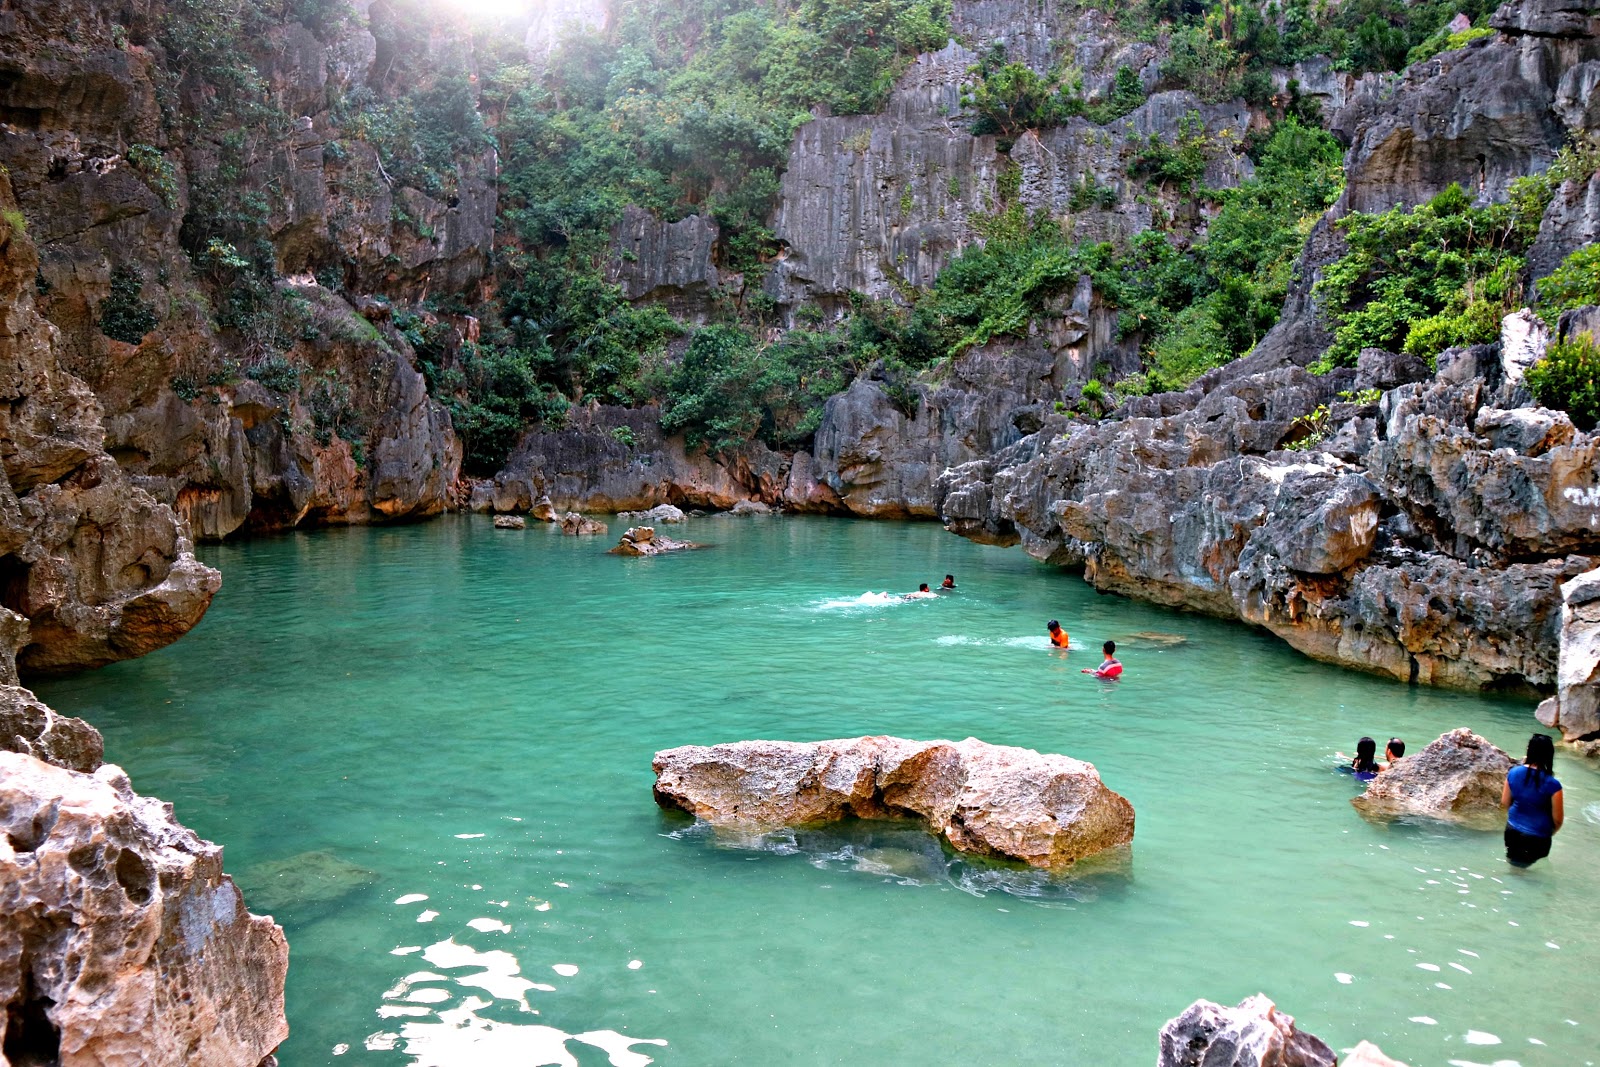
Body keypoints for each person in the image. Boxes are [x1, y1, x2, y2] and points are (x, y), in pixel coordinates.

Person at [1501, 734, 1563, 868]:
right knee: (1532, 872)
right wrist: (1549, 833)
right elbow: (1557, 820)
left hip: (1512, 831)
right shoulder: (1553, 785)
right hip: (1538, 837)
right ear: (1549, 755)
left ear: (1529, 750)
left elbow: (1505, 803)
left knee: (1514, 867)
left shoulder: (1513, 773)